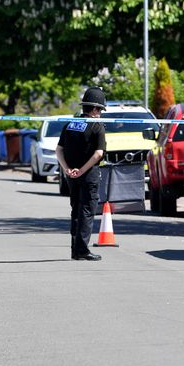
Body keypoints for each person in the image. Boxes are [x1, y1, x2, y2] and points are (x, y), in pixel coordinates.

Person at [56, 87, 107, 261]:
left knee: (75, 210)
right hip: (88, 175)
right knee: (86, 211)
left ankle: (75, 249)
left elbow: (59, 149)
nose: (100, 113)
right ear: (93, 109)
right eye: (100, 109)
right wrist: (83, 170)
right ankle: (82, 250)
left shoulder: (69, 124)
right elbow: (98, 153)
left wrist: (67, 169)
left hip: (71, 176)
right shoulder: (96, 126)